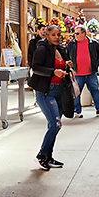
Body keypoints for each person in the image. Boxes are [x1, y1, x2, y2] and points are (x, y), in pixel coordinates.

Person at [29, 24, 69, 170]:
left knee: (53, 126)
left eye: (59, 35)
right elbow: (36, 68)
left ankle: (48, 157)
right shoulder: (42, 49)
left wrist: (66, 65)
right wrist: (54, 72)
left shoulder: (59, 50)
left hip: (59, 92)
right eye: (53, 35)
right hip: (46, 92)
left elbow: (60, 66)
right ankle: (41, 155)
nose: (57, 37)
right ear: (47, 35)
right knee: (55, 125)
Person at [66, 25, 99, 118]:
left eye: (77, 33)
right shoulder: (71, 44)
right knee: (76, 93)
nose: (75, 35)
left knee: (95, 91)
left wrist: (96, 64)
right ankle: (76, 111)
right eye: (75, 33)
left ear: (84, 33)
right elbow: (66, 55)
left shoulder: (93, 43)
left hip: (91, 73)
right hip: (77, 73)